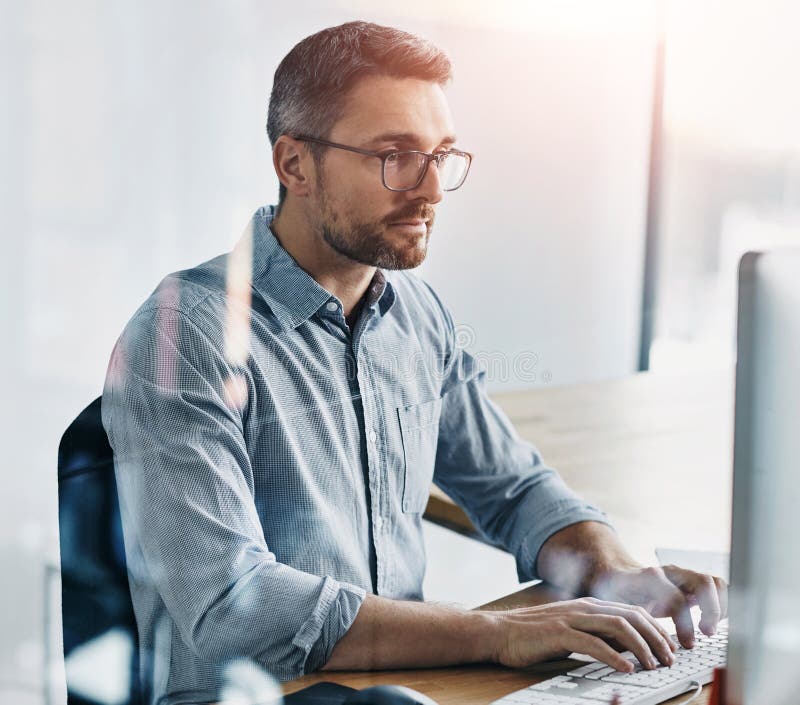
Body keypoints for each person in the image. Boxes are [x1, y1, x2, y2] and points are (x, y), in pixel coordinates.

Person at [102, 20, 727, 703]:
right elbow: (233, 603)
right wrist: (496, 633)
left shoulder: (416, 316)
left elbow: (515, 489)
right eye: (396, 155)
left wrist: (616, 574)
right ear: (295, 165)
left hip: (403, 689)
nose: (431, 190)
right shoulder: (184, 335)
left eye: (443, 155)